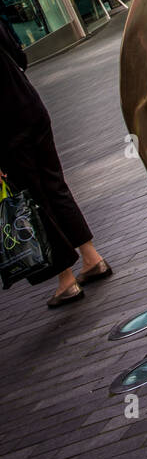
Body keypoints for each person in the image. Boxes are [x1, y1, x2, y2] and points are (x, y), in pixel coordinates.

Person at [0, 19, 112, 307]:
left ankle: (66, 280)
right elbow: (19, 55)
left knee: (33, 199)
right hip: (31, 107)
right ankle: (91, 257)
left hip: (6, 127)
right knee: (54, 184)